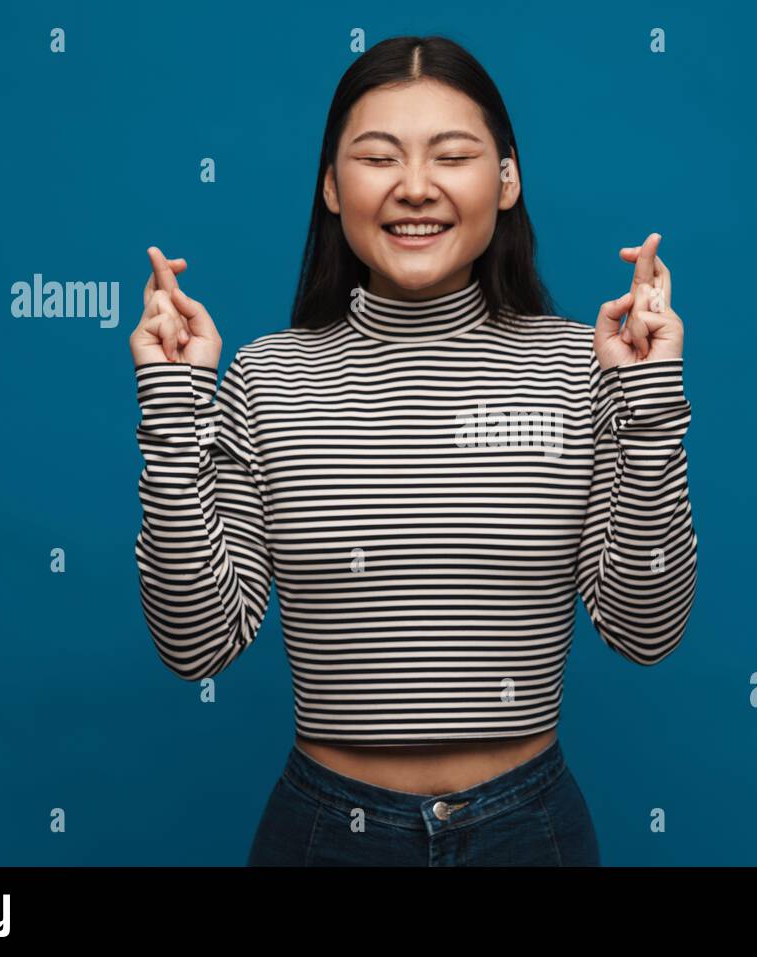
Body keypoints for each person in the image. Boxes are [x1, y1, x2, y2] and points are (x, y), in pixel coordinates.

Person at [128, 35, 697, 866]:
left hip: (528, 831)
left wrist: (646, 403)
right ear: (331, 184)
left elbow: (647, 630)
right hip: (326, 833)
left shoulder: (583, 366)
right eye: (378, 157)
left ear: (506, 179)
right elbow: (196, 644)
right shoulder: (268, 376)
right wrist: (174, 405)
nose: (416, 187)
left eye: (453, 155)